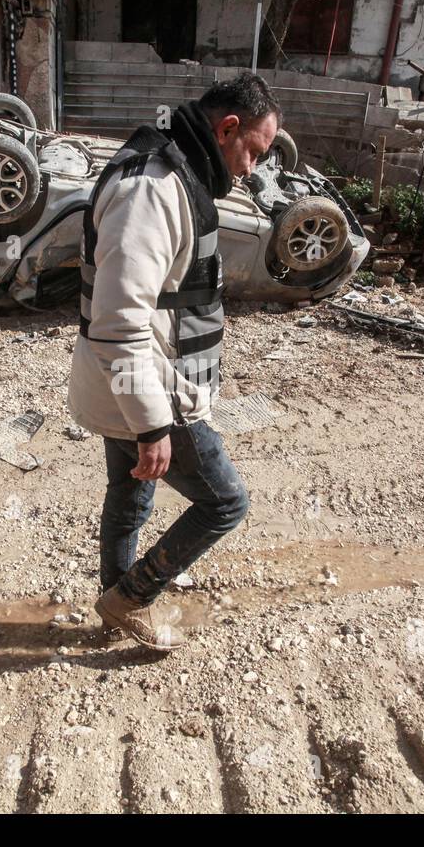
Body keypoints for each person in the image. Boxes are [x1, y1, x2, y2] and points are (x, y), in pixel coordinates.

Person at [67, 72, 282, 651]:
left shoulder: (173, 172)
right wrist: (153, 424)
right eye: (254, 153)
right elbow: (119, 321)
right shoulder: (152, 189)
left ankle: (116, 602)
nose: (252, 169)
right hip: (151, 389)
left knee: (132, 492)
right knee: (224, 502)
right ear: (227, 127)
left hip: (136, 383)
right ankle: (132, 597)